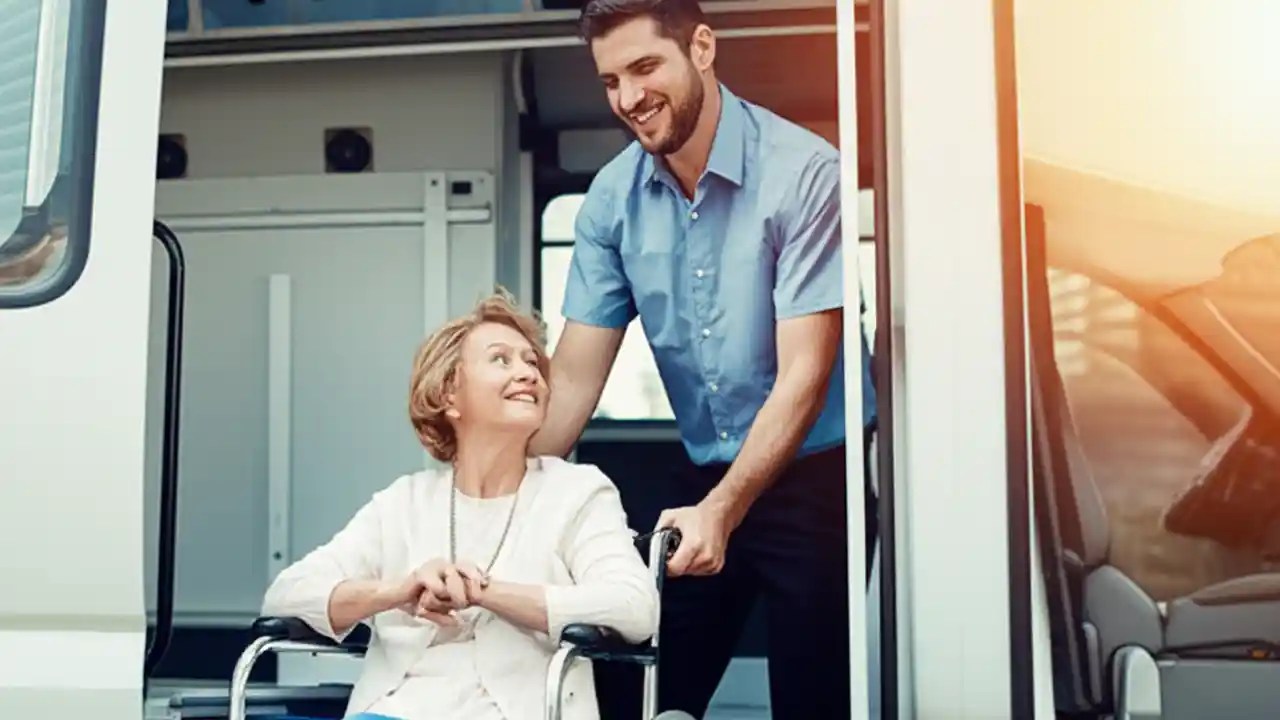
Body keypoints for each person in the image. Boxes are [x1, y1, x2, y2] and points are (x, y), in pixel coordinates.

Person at [529, 1, 878, 718]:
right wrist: (485, 497)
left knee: (812, 699)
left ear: (703, 48)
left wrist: (724, 510)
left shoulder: (805, 173)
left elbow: (805, 377)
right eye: (611, 81)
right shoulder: (610, 201)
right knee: (639, 687)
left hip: (820, 477)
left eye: (645, 67)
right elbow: (572, 382)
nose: (629, 97)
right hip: (703, 474)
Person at [261, 290, 661, 720]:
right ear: (449, 394)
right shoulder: (404, 502)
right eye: (501, 360)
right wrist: (400, 591)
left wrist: (484, 592)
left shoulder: (577, 493)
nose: (528, 374)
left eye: (532, 363)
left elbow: (634, 607)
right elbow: (286, 596)